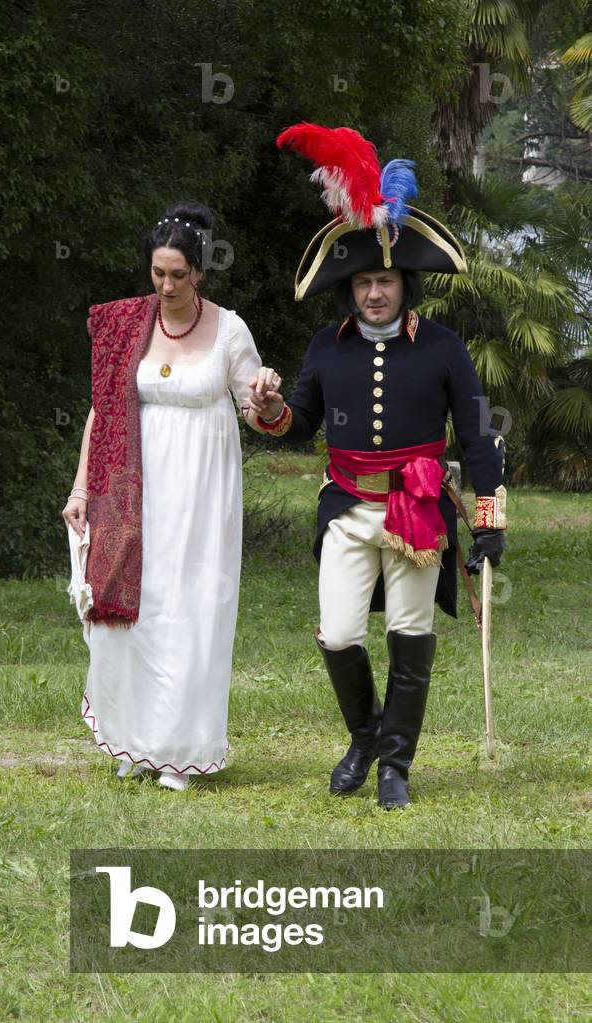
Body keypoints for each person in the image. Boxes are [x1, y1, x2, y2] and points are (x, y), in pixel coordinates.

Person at [246, 124, 507, 809]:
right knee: (337, 633)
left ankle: (396, 764)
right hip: (346, 508)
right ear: (350, 288)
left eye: (385, 280)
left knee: (410, 635)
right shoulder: (325, 349)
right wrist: (271, 406)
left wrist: (489, 522)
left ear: (404, 283)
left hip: (418, 509)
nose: (374, 293)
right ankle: (364, 737)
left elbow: (478, 436)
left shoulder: (445, 348)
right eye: (363, 282)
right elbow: (297, 423)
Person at [61, 201, 264, 791]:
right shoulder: (127, 325)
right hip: (130, 488)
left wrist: (269, 402)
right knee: (129, 609)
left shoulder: (230, 329)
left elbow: (256, 409)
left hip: (200, 493)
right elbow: (102, 410)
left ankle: (177, 748)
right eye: (158, 273)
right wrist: (81, 488)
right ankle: (131, 741)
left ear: (199, 271)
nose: (167, 285)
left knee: (187, 609)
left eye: (179, 274)